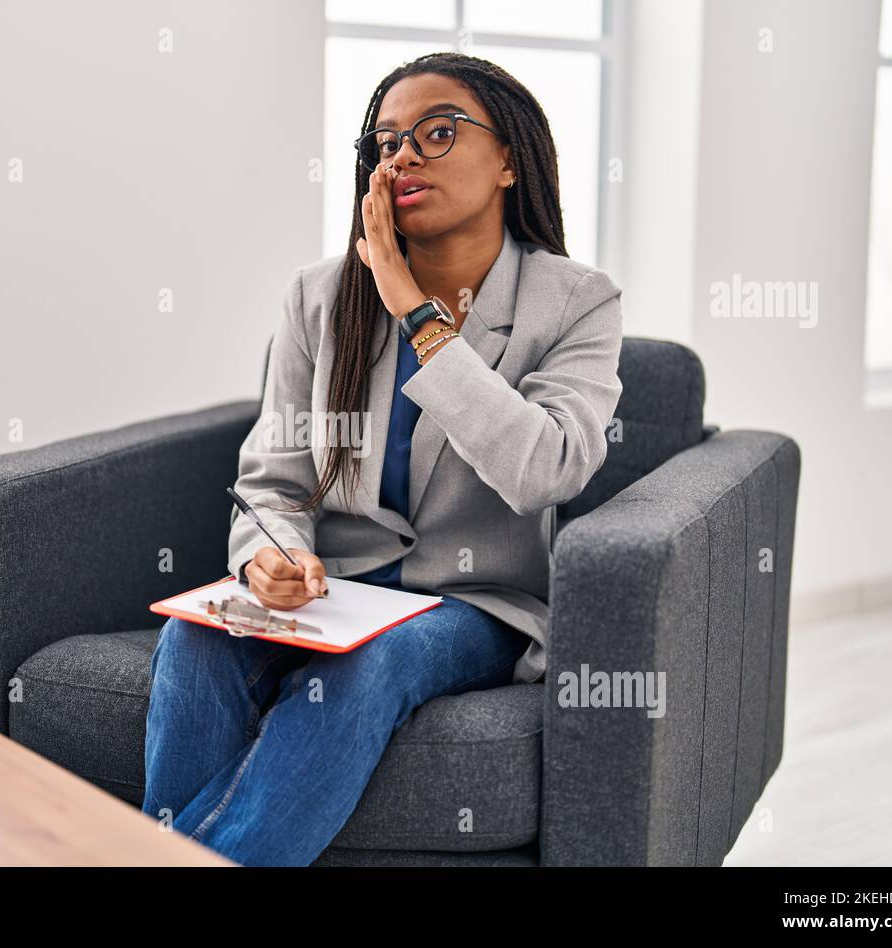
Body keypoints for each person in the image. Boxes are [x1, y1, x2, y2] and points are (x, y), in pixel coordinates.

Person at [142, 51, 624, 866]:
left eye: (438, 133)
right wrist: (275, 555)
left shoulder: (575, 301)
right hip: (338, 591)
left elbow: (548, 468)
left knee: (374, 662)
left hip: (476, 602)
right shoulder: (317, 297)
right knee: (198, 640)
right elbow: (274, 480)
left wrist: (416, 311)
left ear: (510, 158)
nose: (401, 157)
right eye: (386, 142)